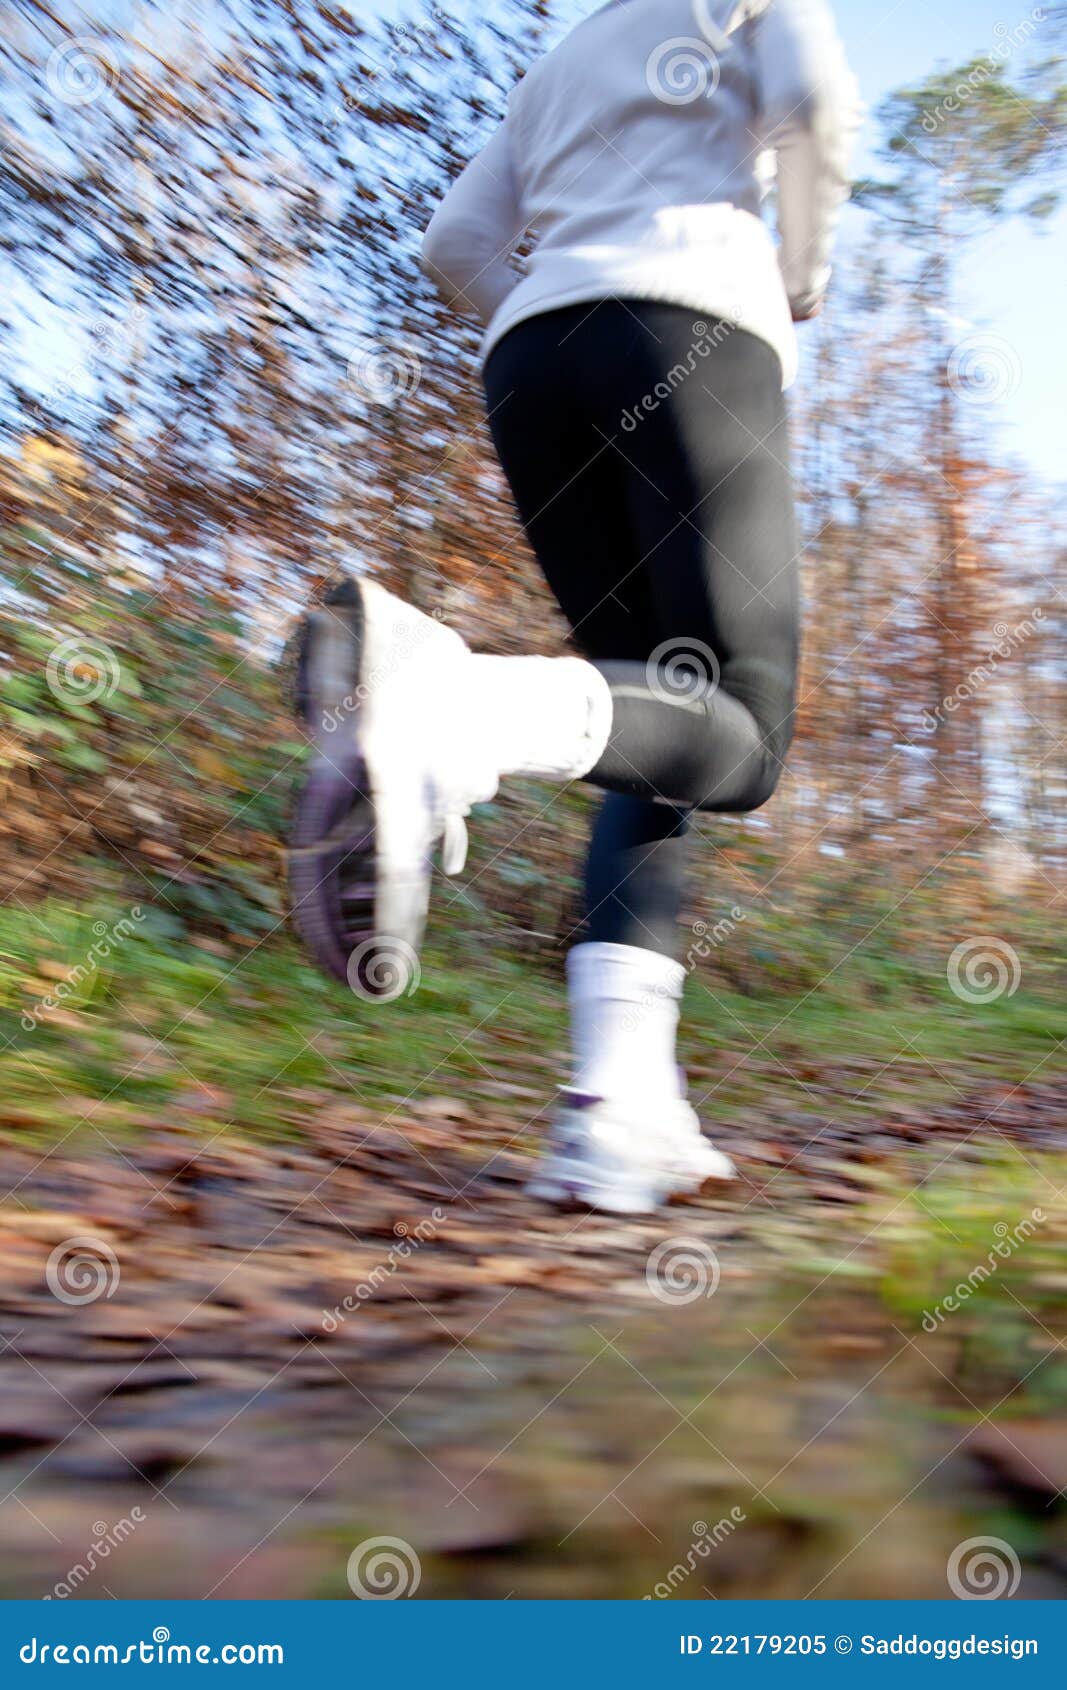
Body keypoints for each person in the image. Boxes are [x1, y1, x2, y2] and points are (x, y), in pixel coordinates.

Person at [290, 0, 861, 1214]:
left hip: (531, 365)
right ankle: (449, 704)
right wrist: (797, 280)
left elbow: (456, 239)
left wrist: (547, 298)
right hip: (690, 336)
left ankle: (620, 1111)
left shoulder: (561, 62)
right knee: (742, 733)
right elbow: (816, 109)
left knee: (649, 726)